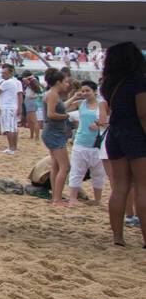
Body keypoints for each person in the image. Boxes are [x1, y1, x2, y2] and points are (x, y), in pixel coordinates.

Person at [101, 42, 146, 247]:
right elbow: (143, 114)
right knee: (143, 188)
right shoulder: (139, 81)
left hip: (115, 135)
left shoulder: (109, 83)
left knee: (119, 188)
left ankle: (118, 237)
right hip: (136, 134)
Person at [67, 80, 106, 206]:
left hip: (97, 144)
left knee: (98, 174)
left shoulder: (102, 104)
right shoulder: (80, 104)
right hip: (80, 142)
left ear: (95, 91)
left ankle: (97, 200)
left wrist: (98, 124)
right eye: (83, 91)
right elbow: (62, 107)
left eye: (87, 91)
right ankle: (72, 198)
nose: (85, 93)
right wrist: (74, 96)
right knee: (76, 171)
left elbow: (108, 121)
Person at [41, 68, 72, 208]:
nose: (67, 85)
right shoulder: (53, 94)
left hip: (53, 132)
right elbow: (51, 114)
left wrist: (74, 99)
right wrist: (66, 117)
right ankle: (57, 199)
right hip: (54, 133)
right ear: (58, 82)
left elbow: (59, 108)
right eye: (65, 82)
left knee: (56, 165)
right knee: (65, 166)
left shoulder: (52, 94)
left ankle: (55, 196)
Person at [0, 62, 22, 154]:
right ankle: (13, 147)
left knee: (8, 128)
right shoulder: (14, 82)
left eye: (4, 73)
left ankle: (11, 148)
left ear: (10, 73)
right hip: (11, 106)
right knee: (12, 128)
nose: (2, 75)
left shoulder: (7, 82)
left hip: (7, 107)